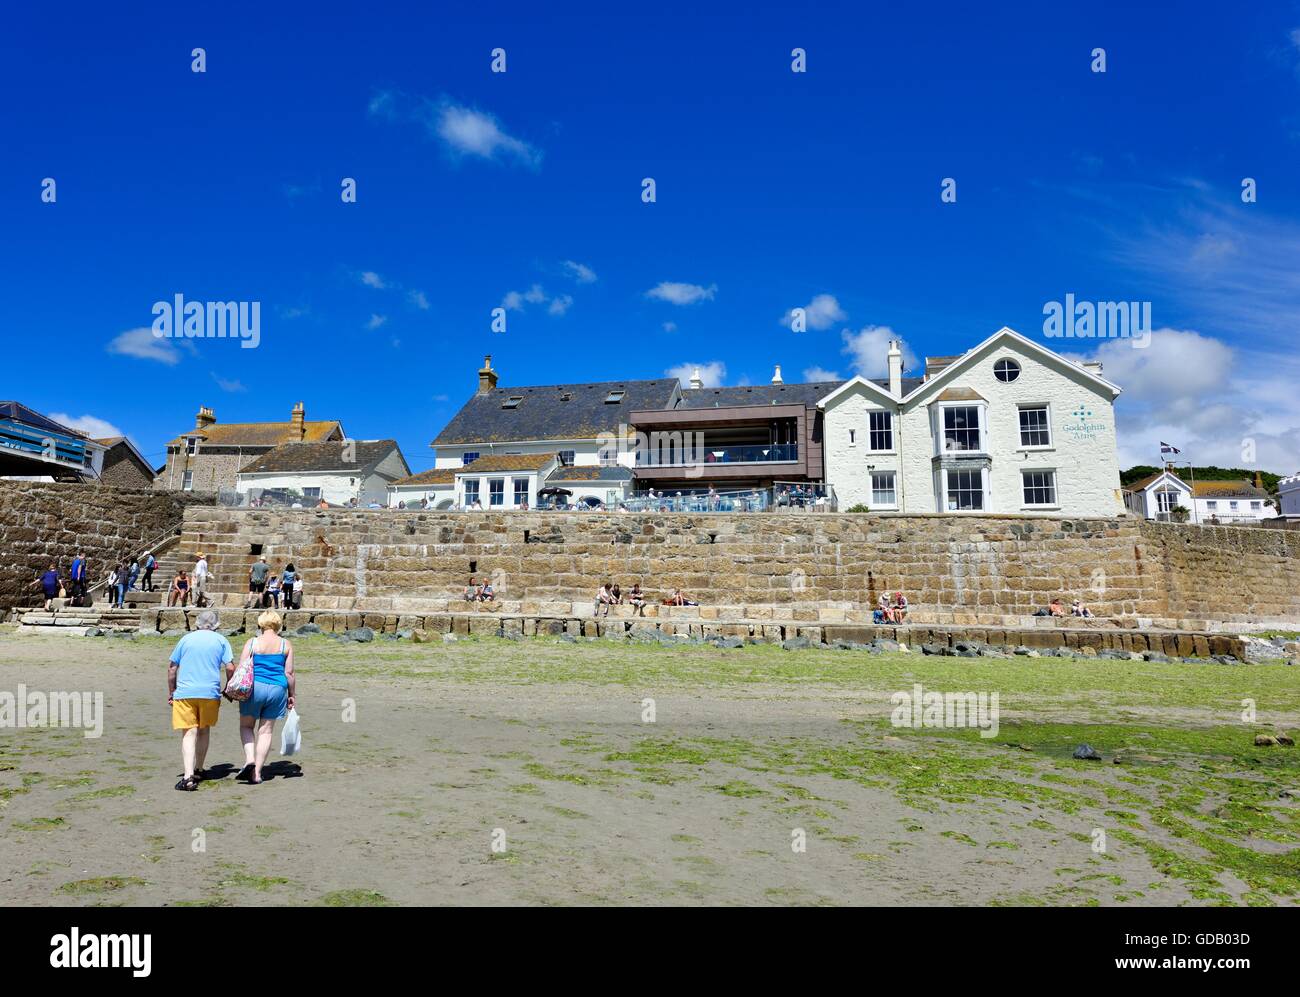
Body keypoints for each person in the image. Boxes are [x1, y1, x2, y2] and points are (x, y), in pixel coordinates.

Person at [168, 610, 234, 792]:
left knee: (189, 733)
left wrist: (172, 691)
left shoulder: (186, 639)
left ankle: (188, 775)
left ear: (197, 623)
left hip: (186, 692)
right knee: (204, 731)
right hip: (210, 692)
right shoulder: (221, 641)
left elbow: (172, 668)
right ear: (216, 625)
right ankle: (199, 769)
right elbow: (230, 666)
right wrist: (229, 686)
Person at [233, 610, 297, 786]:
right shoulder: (285, 644)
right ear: (278, 624)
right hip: (278, 689)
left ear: (261, 624)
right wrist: (292, 695)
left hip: (254, 687)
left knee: (246, 726)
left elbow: (242, 667)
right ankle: (258, 773)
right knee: (266, 731)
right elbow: (289, 673)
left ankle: (249, 760)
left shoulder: (252, 642)